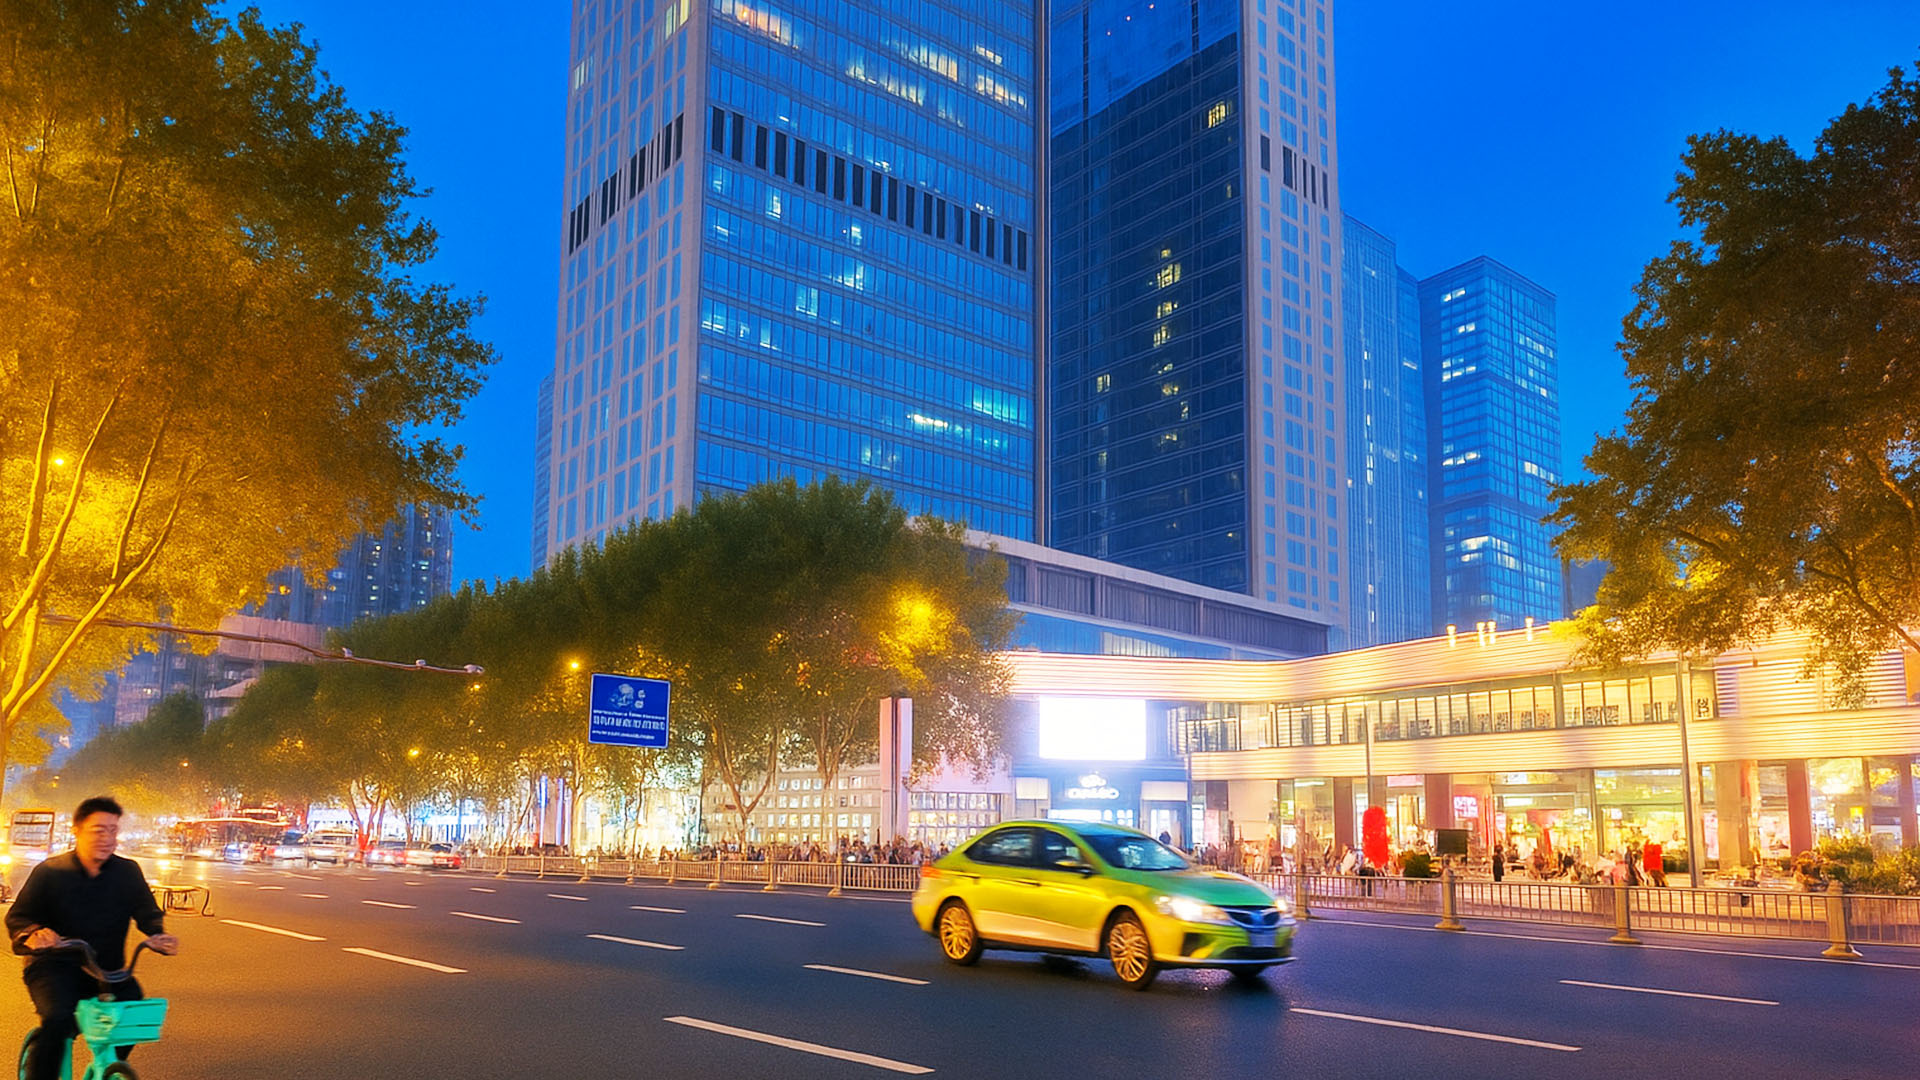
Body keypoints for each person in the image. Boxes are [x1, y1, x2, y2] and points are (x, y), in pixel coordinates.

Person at [7, 796, 179, 1080]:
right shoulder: (49, 872)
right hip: (54, 967)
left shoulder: (128, 871)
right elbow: (19, 917)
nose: (107, 838)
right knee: (58, 1020)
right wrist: (33, 934)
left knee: (133, 1011)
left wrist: (158, 934)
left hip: (108, 970)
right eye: (99, 830)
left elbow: (147, 911)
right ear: (77, 830)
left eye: (113, 830)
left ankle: (107, 1067)